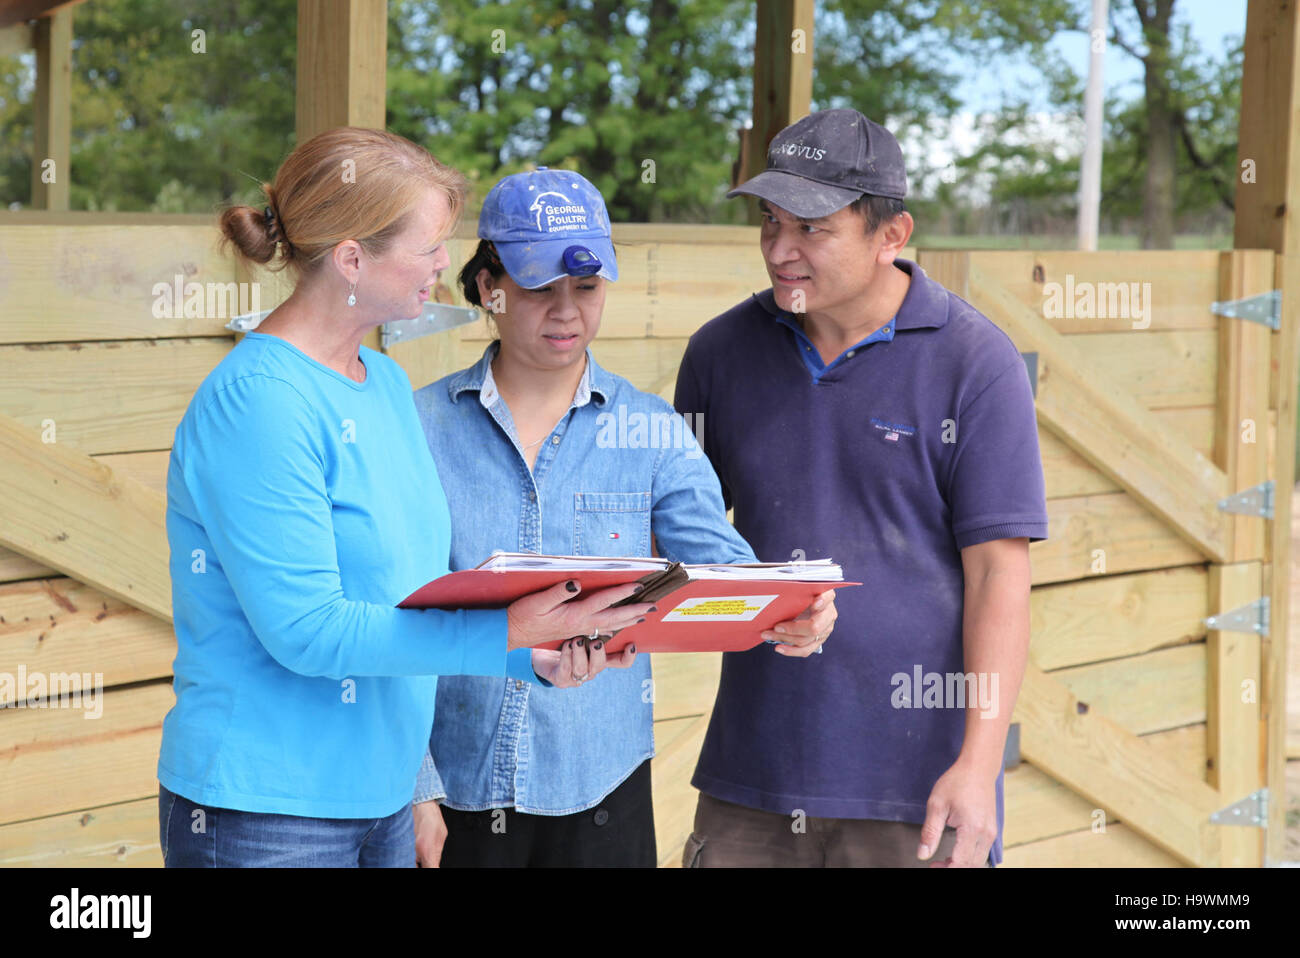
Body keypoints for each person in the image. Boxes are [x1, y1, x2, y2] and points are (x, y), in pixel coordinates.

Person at [158, 129, 652, 868]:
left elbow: (403, 599)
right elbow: (307, 631)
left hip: (383, 803)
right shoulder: (260, 401)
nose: (445, 265)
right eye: (429, 246)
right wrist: (505, 634)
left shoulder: (383, 384)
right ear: (353, 260)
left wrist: (532, 656)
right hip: (268, 814)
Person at [408, 168, 838, 867]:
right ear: (490, 288)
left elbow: (725, 568)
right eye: (540, 289)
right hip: (455, 790)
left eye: (586, 288)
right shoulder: (418, 427)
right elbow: (390, 615)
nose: (567, 311)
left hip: (603, 787)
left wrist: (791, 612)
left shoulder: (652, 430)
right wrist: (415, 788)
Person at [673, 109, 1048, 868]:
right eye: (770, 222)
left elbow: (999, 572)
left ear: (891, 235)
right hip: (753, 783)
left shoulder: (976, 363)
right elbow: (682, 537)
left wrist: (979, 765)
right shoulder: (720, 352)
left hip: (916, 791)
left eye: (811, 229)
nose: (781, 251)